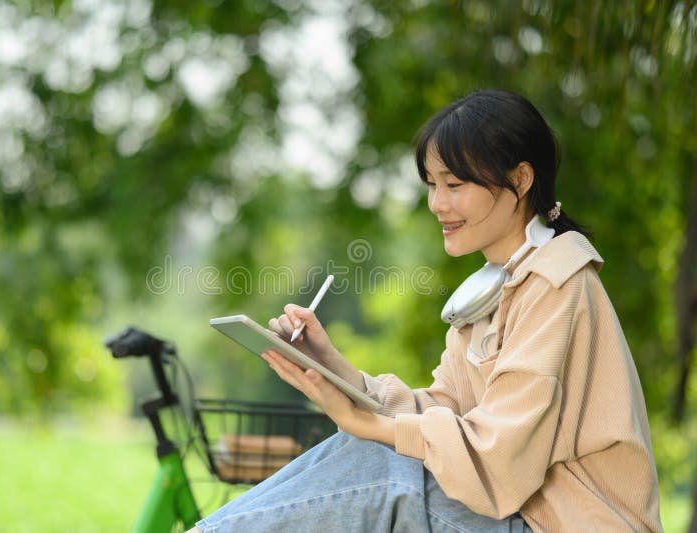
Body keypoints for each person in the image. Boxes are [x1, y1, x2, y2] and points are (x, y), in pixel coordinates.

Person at [191, 89, 663, 532]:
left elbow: (498, 459)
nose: (438, 204)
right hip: (521, 514)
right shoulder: (492, 290)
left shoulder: (558, 282)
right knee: (369, 448)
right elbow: (444, 412)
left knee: (383, 466)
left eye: (454, 184)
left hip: (567, 522)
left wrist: (367, 424)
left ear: (520, 179)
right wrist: (332, 366)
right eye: (431, 185)